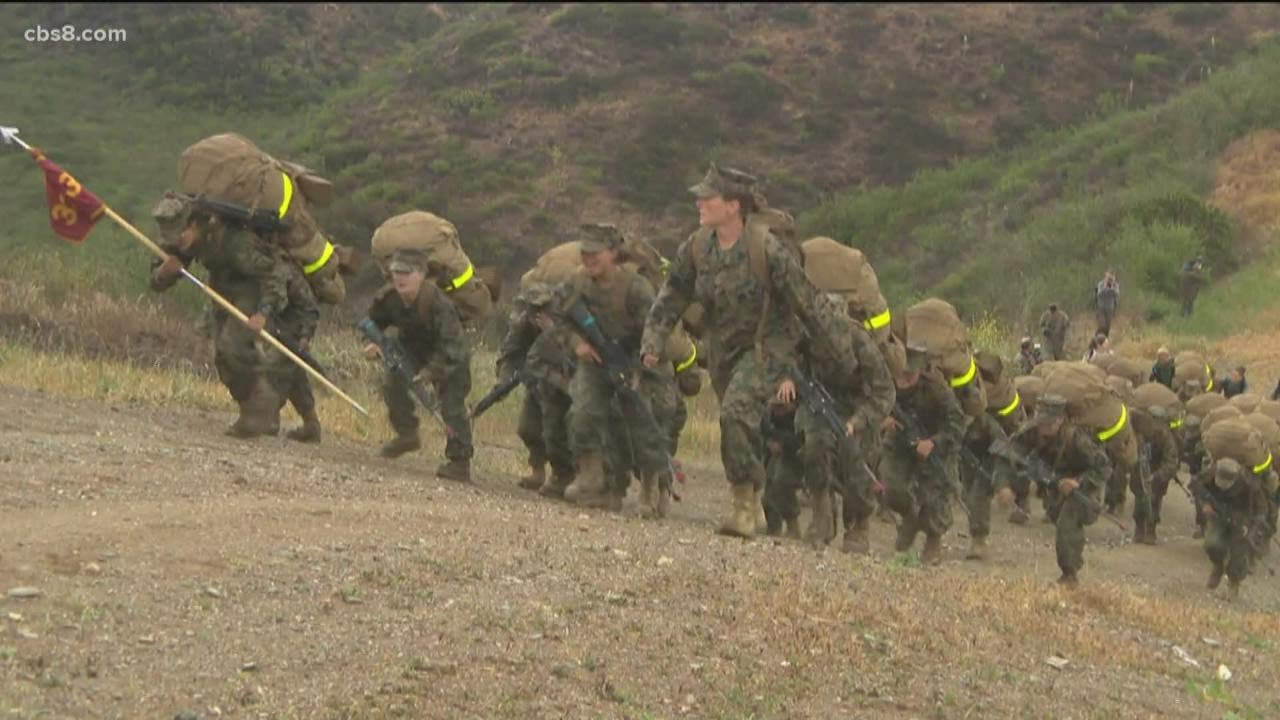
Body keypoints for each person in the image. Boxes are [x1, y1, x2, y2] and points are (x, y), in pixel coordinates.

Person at [641, 163, 821, 538]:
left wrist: (829, 358)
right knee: (740, 424)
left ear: (734, 205)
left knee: (734, 414)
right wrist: (653, 341)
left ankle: (742, 507)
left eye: (708, 198)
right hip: (723, 353)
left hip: (765, 350)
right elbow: (672, 296)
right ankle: (754, 503)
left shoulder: (765, 249)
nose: (699, 203)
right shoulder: (697, 247)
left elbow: (807, 304)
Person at [555, 223, 676, 516]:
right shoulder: (577, 283)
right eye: (584, 253)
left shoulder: (636, 288)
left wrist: (640, 369)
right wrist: (576, 343)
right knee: (582, 413)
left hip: (636, 361)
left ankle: (651, 487)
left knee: (643, 420)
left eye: (595, 253)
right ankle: (593, 480)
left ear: (612, 252)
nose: (588, 259)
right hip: (596, 360)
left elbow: (656, 329)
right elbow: (558, 317)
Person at [149, 193, 292, 438]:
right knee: (223, 359)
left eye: (180, 236)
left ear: (193, 224)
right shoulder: (181, 240)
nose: (177, 243)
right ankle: (255, 410)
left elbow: (275, 274)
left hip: (252, 291)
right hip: (222, 291)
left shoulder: (235, 241)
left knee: (232, 347)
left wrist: (264, 312)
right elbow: (156, 282)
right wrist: (164, 272)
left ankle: (261, 408)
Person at [364, 248, 474, 482]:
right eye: (396, 272)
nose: (400, 278)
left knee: (451, 406)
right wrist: (372, 344)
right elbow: (371, 321)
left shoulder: (438, 303)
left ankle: (460, 461)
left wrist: (429, 372)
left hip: (448, 356)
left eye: (407, 272)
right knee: (393, 381)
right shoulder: (389, 298)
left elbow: (453, 348)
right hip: (412, 350)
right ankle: (407, 434)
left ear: (421, 275)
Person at [1000, 394, 1113, 587]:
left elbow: (1104, 467)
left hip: (1083, 487)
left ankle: (1069, 575)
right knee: (1056, 515)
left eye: (1048, 423)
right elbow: (1006, 455)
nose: (1043, 427)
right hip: (1055, 484)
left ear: (1060, 420)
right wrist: (1003, 485)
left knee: (1067, 522)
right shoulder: (1031, 432)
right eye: (1041, 422)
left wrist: (1078, 482)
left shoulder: (1077, 439)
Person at [880, 343, 967, 566]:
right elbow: (869, 405)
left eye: (910, 375)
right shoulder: (886, 385)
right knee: (890, 489)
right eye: (901, 374)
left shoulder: (937, 389)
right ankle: (910, 518)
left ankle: (933, 540)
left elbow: (957, 423)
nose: (905, 380)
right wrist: (882, 420)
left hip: (935, 445)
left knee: (935, 494)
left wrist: (934, 442)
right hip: (900, 442)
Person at [494, 282, 577, 496]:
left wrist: (553, 333)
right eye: (533, 308)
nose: (538, 313)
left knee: (555, 433)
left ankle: (563, 475)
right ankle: (537, 470)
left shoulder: (565, 322)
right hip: (537, 381)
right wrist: (503, 382)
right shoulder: (522, 325)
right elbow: (509, 354)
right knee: (527, 428)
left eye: (542, 307)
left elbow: (573, 357)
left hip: (564, 385)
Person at [1196, 458, 1268, 601]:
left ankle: (1234, 585)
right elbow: (1198, 487)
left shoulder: (1248, 484)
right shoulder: (1210, 474)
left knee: (1238, 553)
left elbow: (1261, 508)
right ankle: (1218, 565)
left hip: (1241, 518)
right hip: (1217, 513)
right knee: (1211, 544)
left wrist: (1250, 526)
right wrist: (1204, 505)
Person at [1094, 270, 1119, 337]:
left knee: (1107, 326)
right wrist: (1105, 287)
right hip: (1101, 308)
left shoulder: (1115, 285)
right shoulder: (1101, 284)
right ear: (1105, 277)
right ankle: (1096, 337)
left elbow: (1117, 294)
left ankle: (1105, 339)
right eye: (1109, 278)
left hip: (1110, 308)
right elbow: (1098, 294)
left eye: (1111, 279)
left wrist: (1112, 288)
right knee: (1102, 325)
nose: (1110, 280)